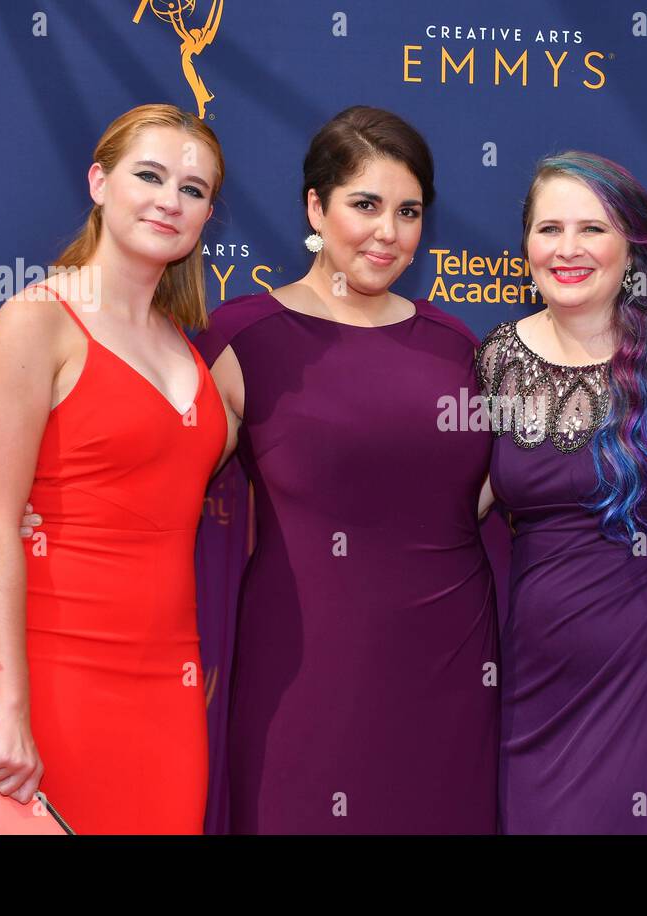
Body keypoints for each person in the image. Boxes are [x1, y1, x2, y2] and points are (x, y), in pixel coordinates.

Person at [194, 106, 499, 834]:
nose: (387, 232)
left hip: (453, 673)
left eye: (408, 211)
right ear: (315, 206)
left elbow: (493, 497)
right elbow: (166, 491)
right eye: (365, 205)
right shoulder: (244, 338)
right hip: (303, 677)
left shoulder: (455, 344)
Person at [0, 103, 229, 834]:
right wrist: (10, 711)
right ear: (99, 181)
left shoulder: (189, 349)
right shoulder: (35, 322)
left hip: (166, 686)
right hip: (37, 677)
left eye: (192, 190)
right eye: (150, 175)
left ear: (207, 216)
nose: (170, 199)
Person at [476, 152, 647, 833]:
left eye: (592, 228)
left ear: (632, 246)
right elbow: (453, 511)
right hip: (533, 679)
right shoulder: (497, 359)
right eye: (548, 228)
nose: (567, 249)